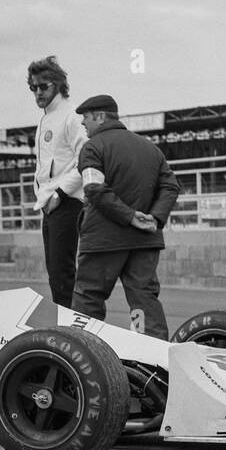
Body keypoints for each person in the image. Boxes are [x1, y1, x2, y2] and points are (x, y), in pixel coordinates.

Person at [71, 94, 182, 340]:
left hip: (103, 241)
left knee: (88, 298)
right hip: (145, 240)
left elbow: (93, 189)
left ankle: (83, 352)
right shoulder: (150, 148)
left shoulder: (92, 147)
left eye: (86, 118)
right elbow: (171, 186)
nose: (83, 124)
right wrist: (154, 218)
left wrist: (129, 216)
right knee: (142, 298)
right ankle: (151, 355)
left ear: (100, 117)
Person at [28, 54, 86, 307]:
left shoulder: (72, 117)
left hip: (66, 203)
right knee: (54, 272)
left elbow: (86, 160)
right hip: (48, 205)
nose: (38, 93)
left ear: (59, 85)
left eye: (43, 87)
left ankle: (70, 327)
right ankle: (65, 323)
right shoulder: (44, 120)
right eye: (33, 88)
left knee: (62, 272)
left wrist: (60, 194)